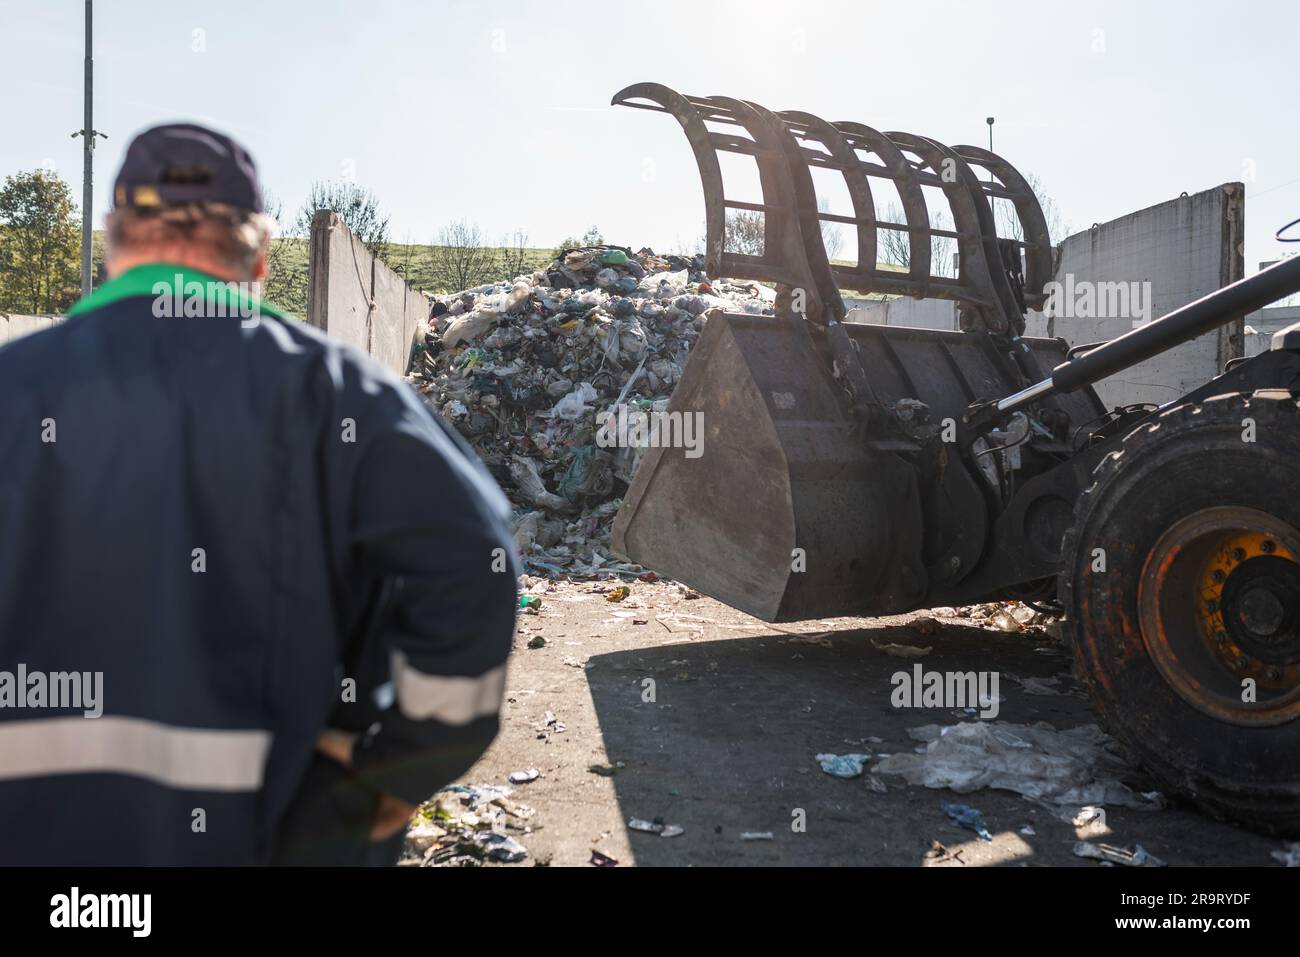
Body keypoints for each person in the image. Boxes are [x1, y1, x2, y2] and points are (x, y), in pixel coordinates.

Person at [0, 123, 518, 865]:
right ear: (262, 257)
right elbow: (475, 560)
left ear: (113, 239)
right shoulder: (343, 397)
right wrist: (398, 764)